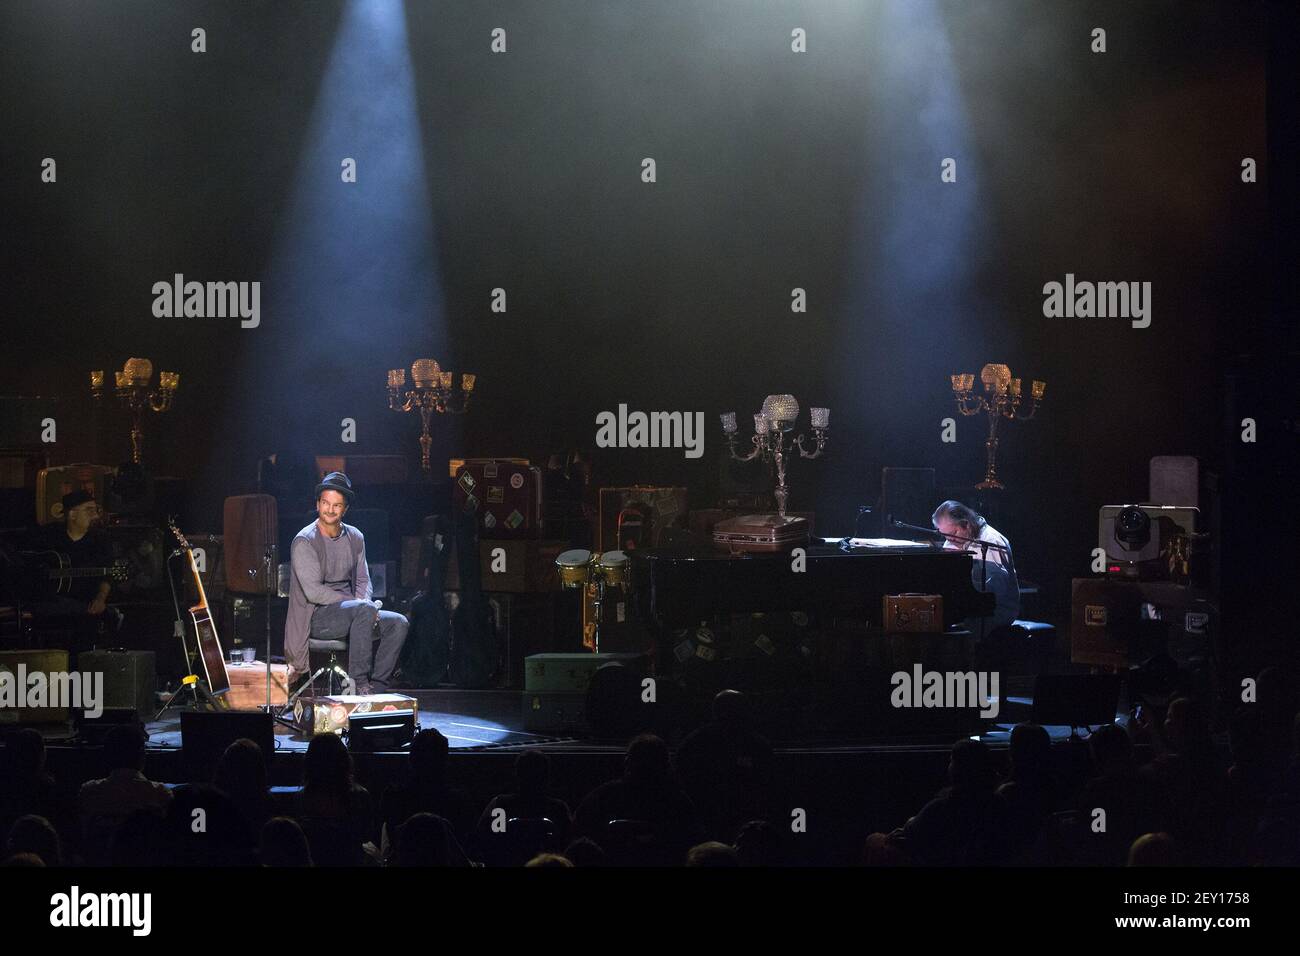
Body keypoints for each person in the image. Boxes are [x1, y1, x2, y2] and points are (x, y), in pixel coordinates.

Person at [284, 472, 408, 696]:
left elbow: (363, 579)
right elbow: (314, 593)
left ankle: (378, 687)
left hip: (355, 614)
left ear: (345, 509)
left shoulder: (355, 537)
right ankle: (358, 682)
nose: (330, 510)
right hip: (317, 618)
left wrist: (364, 606)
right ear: (318, 504)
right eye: (325, 503)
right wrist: (362, 606)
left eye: (337, 505)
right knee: (365, 609)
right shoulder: (305, 540)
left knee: (399, 622)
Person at [25, 490, 120, 648]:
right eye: (89, 510)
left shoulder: (100, 540)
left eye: (96, 510)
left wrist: (100, 599)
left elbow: (108, 574)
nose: (95, 515)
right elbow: (27, 559)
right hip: (51, 602)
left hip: (85, 603)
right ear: (72, 515)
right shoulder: (50, 535)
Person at [931, 500, 1019, 633]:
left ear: (967, 524)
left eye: (953, 533)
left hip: (997, 612)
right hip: (970, 608)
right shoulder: (953, 541)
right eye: (945, 536)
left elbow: (997, 590)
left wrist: (963, 600)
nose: (949, 541)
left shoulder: (991, 540)